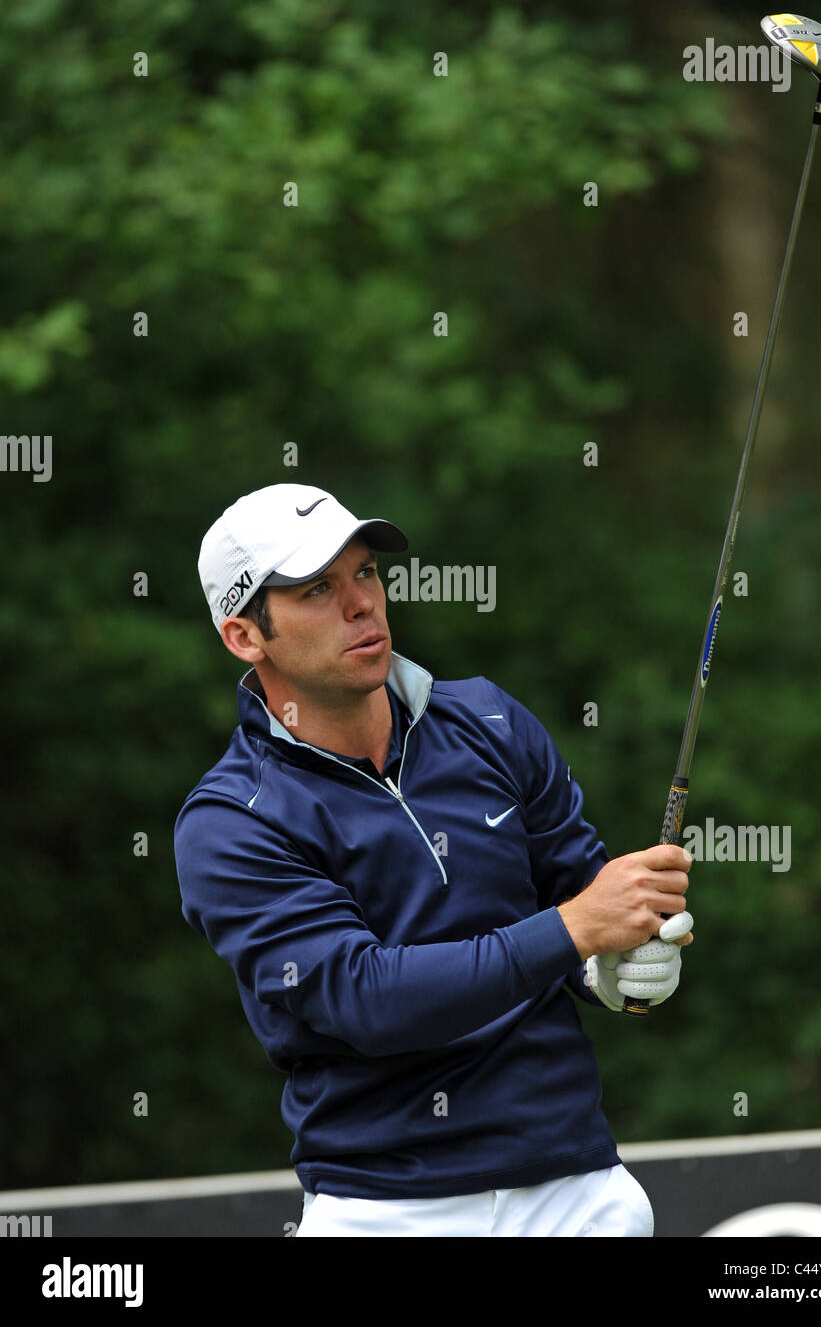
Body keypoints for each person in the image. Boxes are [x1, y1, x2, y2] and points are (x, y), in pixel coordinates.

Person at [174, 482, 694, 1237]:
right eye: (317, 589)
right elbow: (366, 999)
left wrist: (616, 971)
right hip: (386, 1210)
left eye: (364, 574)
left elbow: (578, 896)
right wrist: (575, 932)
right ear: (245, 637)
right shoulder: (230, 820)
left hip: (576, 1188)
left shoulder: (487, 718)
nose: (359, 604)